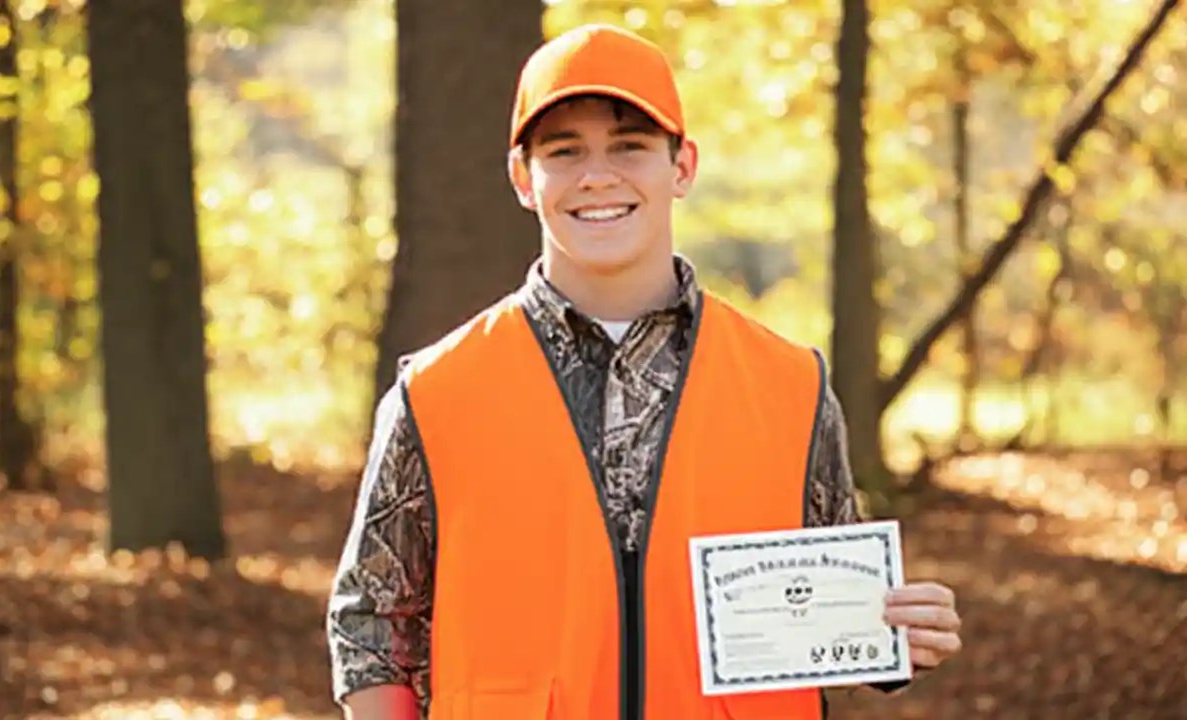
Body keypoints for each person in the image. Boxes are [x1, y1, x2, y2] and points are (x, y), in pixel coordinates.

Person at [326, 23, 961, 720]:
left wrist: (893, 635)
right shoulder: (437, 392)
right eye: (563, 152)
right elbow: (371, 627)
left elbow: (820, 614)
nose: (597, 176)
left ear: (682, 166)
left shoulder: (791, 385)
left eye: (628, 146)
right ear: (522, 179)